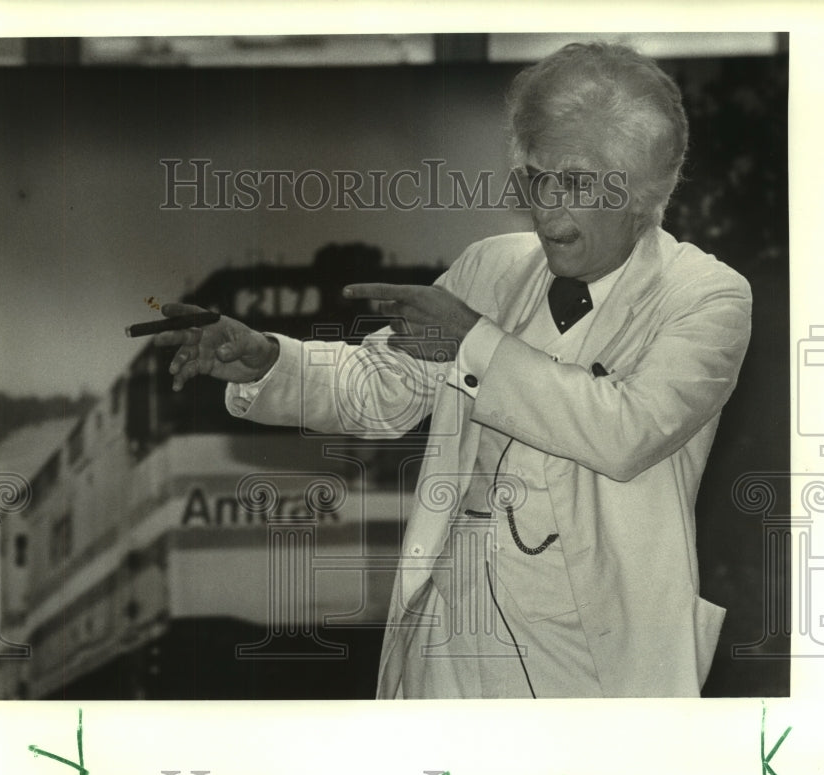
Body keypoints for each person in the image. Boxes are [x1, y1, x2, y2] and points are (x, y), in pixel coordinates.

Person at [157, 41, 752, 698]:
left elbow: (628, 431)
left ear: (644, 190)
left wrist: (473, 341)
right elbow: (380, 390)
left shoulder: (707, 296)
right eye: (534, 178)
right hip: (449, 638)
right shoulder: (490, 267)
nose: (546, 208)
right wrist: (267, 359)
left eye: (576, 182)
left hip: (590, 664)